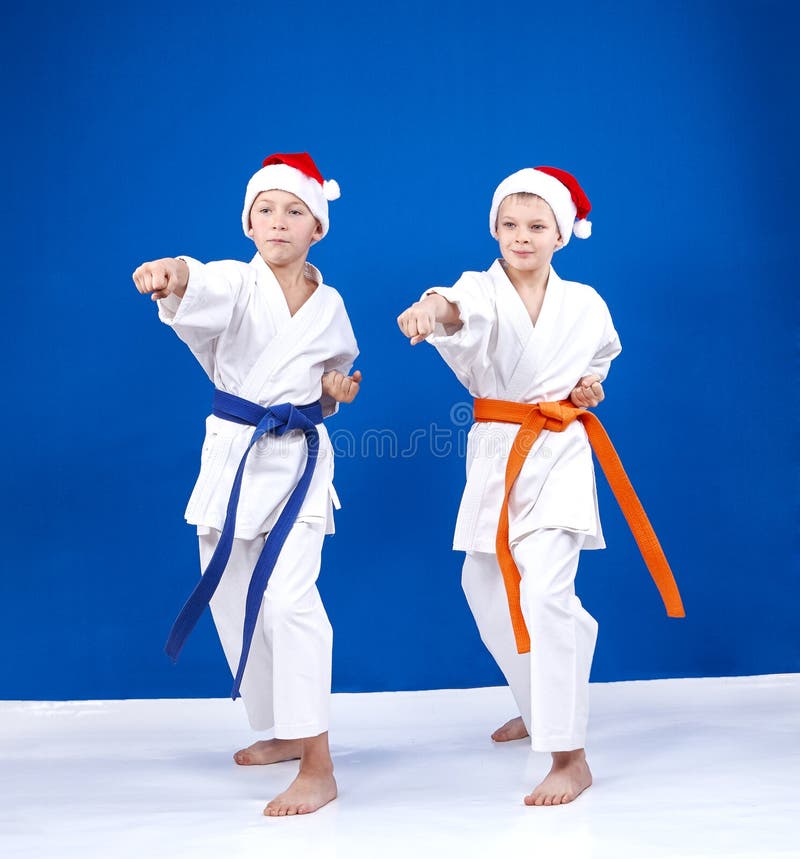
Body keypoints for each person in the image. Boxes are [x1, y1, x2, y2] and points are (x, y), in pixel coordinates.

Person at [397, 166, 683, 806]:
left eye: (536, 226)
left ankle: (568, 752)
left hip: (558, 449)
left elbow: (597, 362)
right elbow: (453, 306)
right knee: (484, 584)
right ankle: (539, 697)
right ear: (494, 229)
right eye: (509, 225)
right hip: (497, 450)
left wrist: (586, 389)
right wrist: (428, 311)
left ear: (561, 234)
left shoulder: (585, 303)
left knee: (547, 591)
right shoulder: (482, 287)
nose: (520, 237)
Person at [132, 152, 360, 817]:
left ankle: (319, 763)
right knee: (232, 595)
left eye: (294, 210)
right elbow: (194, 285)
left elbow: (337, 377)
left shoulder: (332, 304)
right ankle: (285, 729)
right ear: (248, 223)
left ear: (316, 226)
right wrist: (171, 275)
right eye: (266, 209)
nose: (278, 221)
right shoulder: (235, 281)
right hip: (233, 456)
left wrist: (336, 392)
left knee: (290, 603)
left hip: (298, 462)